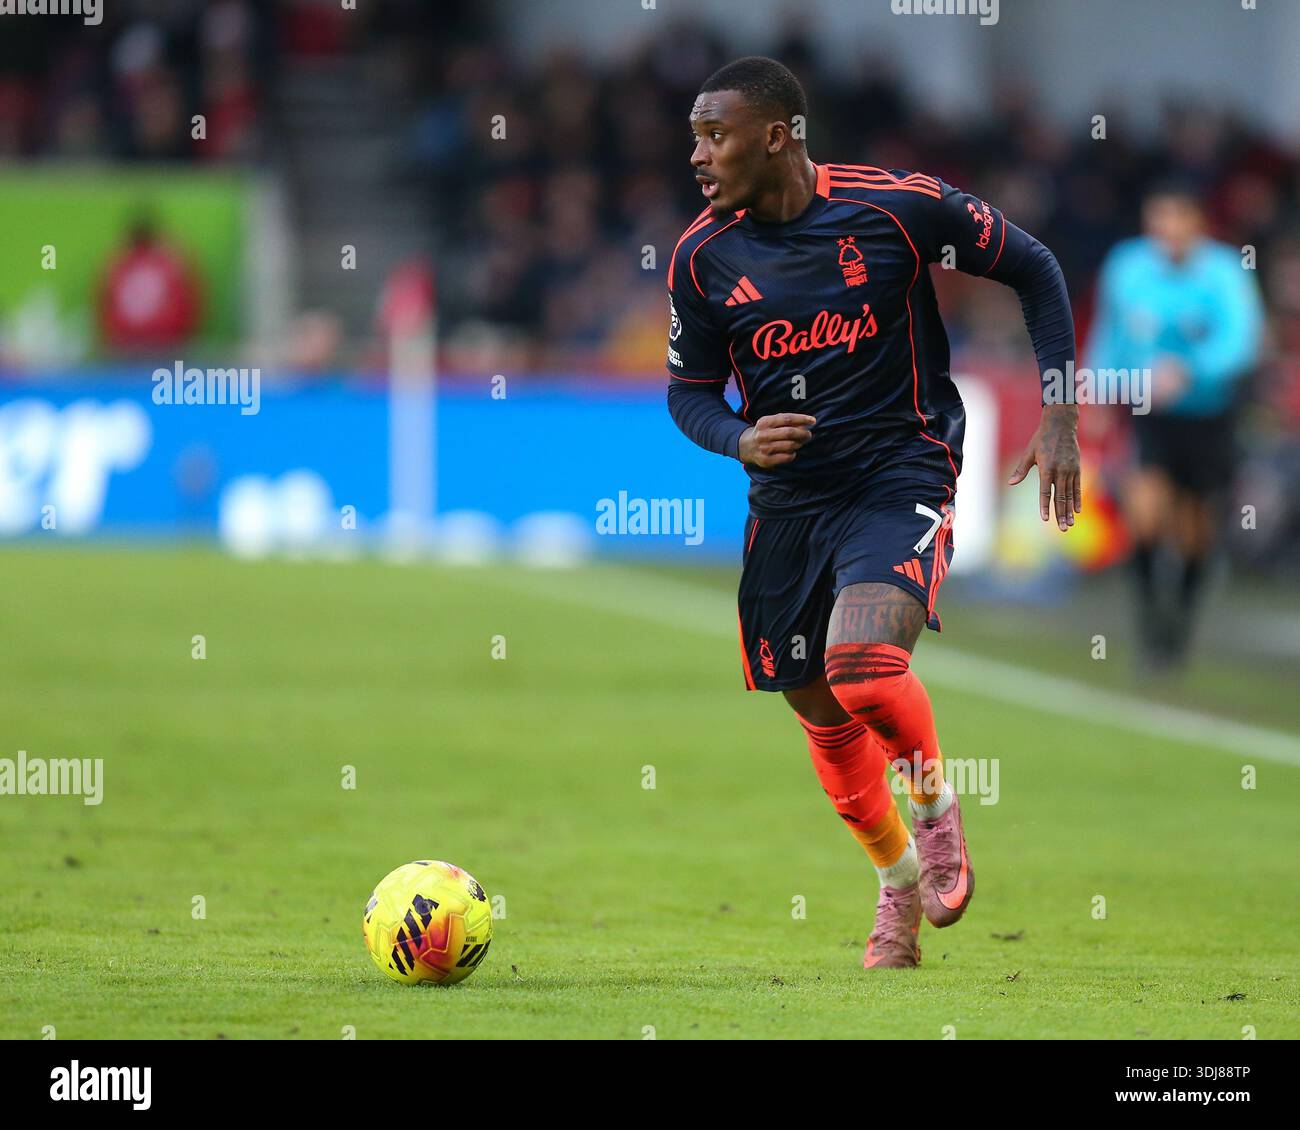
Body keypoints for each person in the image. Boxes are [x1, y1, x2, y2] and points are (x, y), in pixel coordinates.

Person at [665, 57, 1078, 969]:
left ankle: (935, 813)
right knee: (816, 703)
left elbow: (1036, 268)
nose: (697, 154)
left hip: (902, 471)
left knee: (862, 666)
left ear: (778, 135)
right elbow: (688, 393)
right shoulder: (701, 256)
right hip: (789, 504)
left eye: (713, 134)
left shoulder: (897, 208)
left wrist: (1057, 411)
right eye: (695, 135)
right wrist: (738, 439)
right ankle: (894, 888)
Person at [1086, 183, 1265, 671]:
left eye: (1173, 221)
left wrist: (1190, 369)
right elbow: (1111, 331)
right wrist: (1098, 387)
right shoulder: (1128, 265)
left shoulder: (1225, 271)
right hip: (1150, 412)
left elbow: (1242, 340)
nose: (1163, 232)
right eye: (1155, 221)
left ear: (1196, 224)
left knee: (1194, 531)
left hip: (1209, 416)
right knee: (1143, 514)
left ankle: (1178, 628)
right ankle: (1149, 628)